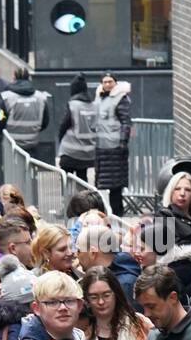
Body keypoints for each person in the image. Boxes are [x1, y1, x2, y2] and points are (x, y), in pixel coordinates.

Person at [94, 72, 132, 217]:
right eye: (105, 82)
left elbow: (125, 122)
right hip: (102, 148)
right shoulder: (99, 98)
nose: (107, 84)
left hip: (115, 148)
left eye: (110, 81)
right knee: (102, 185)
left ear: (116, 83)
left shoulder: (120, 99)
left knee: (115, 187)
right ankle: (107, 216)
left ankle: (117, 216)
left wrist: (122, 141)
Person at [75, 222, 141, 303]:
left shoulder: (125, 284)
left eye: (79, 250)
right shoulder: (119, 277)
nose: (76, 255)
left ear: (92, 253)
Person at [57, 73, 97, 177]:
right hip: (87, 153)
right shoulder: (93, 106)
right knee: (82, 181)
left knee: (65, 181)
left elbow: (64, 125)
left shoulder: (73, 105)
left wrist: (60, 140)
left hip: (70, 152)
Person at [1, 67, 51, 150]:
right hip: (32, 143)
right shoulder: (41, 98)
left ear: (14, 78)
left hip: (11, 145)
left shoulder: (6, 97)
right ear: (29, 78)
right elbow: (45, 121)